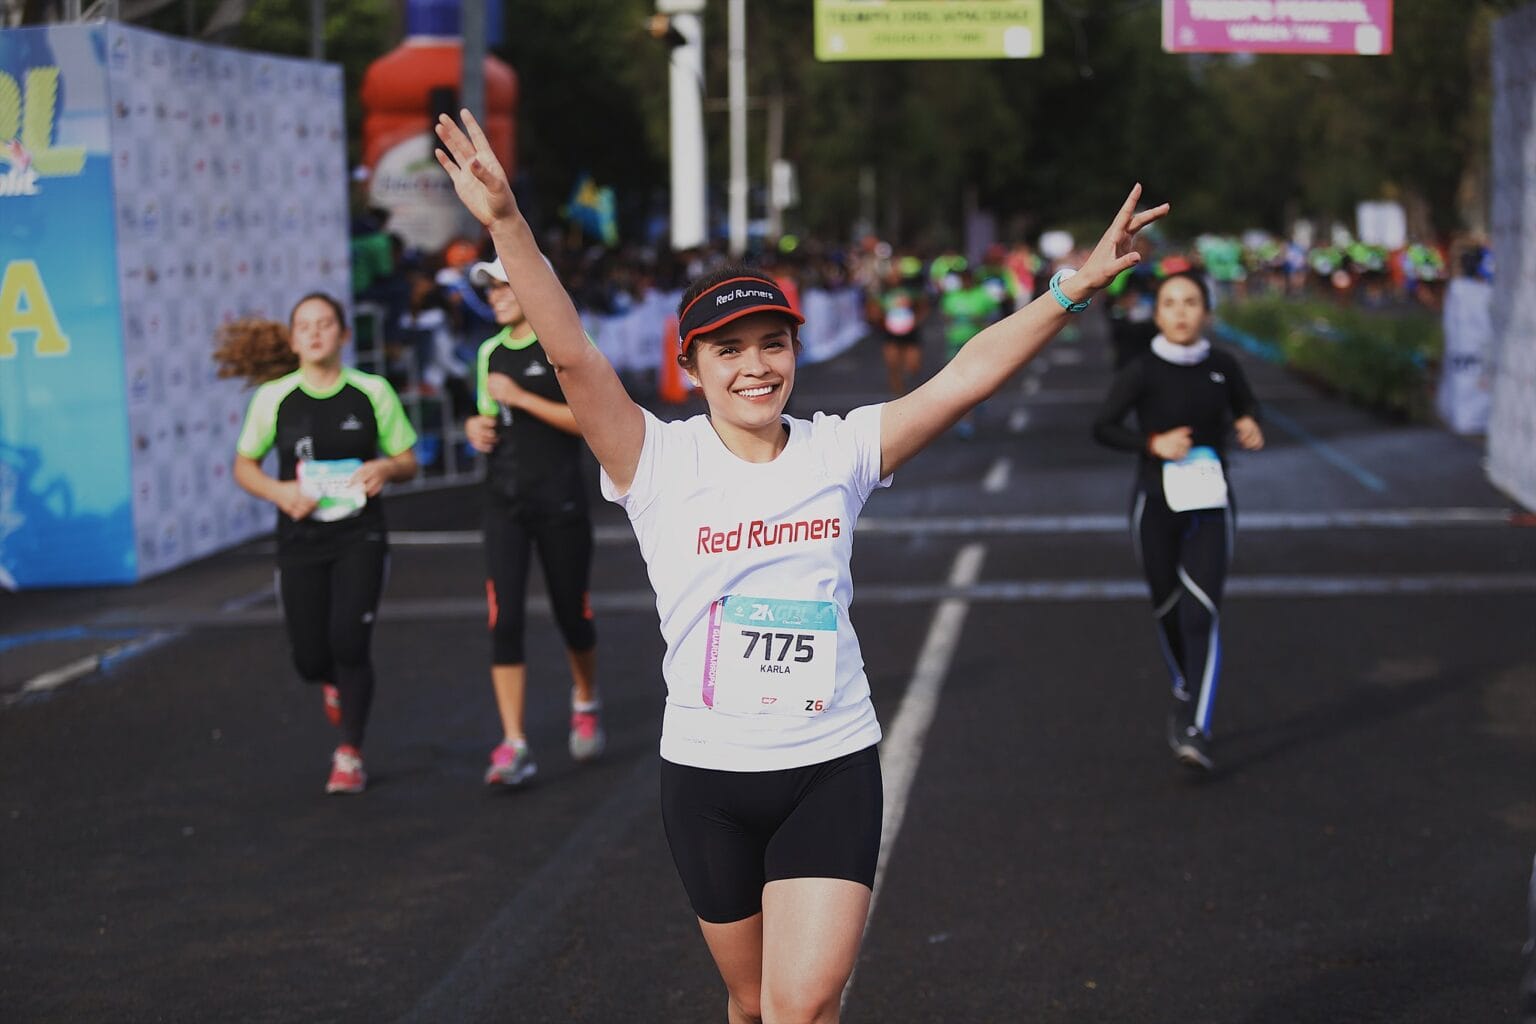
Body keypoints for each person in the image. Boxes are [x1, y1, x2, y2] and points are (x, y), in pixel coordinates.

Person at [435, 107, 1165, 1023]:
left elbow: (966, 374)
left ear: (795, 351)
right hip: (705, 780)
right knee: (749, 1004)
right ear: (691, 365)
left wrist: (1072, 290)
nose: (755, 367)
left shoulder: (841, 450)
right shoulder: (655, 462)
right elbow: (572, 353)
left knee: (804, 1005)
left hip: (832, 764)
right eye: (729, 351)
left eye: (771, 345)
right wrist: (506, 222)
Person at [217, 294, 419, 794]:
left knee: (350, 641)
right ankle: (331, 683)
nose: (314, 333)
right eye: (304, 326)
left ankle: (349, 752)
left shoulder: (371, 392)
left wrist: (386, 468)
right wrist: (280, 491)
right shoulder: (273, 398)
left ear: (344, 335)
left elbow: (408, 459)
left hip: (360, 536)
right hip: (301, 539)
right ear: (292, 340)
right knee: (310, 657)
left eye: (325, 324)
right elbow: (244, 466)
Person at [1091, 272, 1264, 773]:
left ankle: (1195, 726)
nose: (1182, 312)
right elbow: (1101, 427)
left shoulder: (1223, 365)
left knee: (1200, 612)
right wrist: (1153, 444)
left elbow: (1246, 405)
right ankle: (1185, 684)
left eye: (1192, 302)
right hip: (1154, 502)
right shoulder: (1142, 370)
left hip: (1212, 503)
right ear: (1158, 313)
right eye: (1171, 303)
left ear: (1207, 312)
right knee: (1168, 608)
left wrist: (1249, 422)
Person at [464, 256, 604, 787]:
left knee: (573, 615)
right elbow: (489, 417)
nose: (495, 295)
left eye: (503, 284)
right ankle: (514, 742)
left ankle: (586, 697)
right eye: (490, 288)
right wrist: (476, 428)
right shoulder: (488, 353)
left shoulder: (564, 345)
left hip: (560, 501)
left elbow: (592, 421)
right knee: (505, 620)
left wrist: (521, 397)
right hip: (504, 502)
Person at [866, 255, 929, 397]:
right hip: (890, 334)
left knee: (913, 367)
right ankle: (898, 396)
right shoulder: (881, 293)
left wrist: (916, 320)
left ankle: (910, 388)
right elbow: (872, 312)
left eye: (897, 273)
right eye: (891, 273)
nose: (894, 276)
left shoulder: (911, 291)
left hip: (911, 333)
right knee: (893, 366)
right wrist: (879, 319)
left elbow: (923, 306)